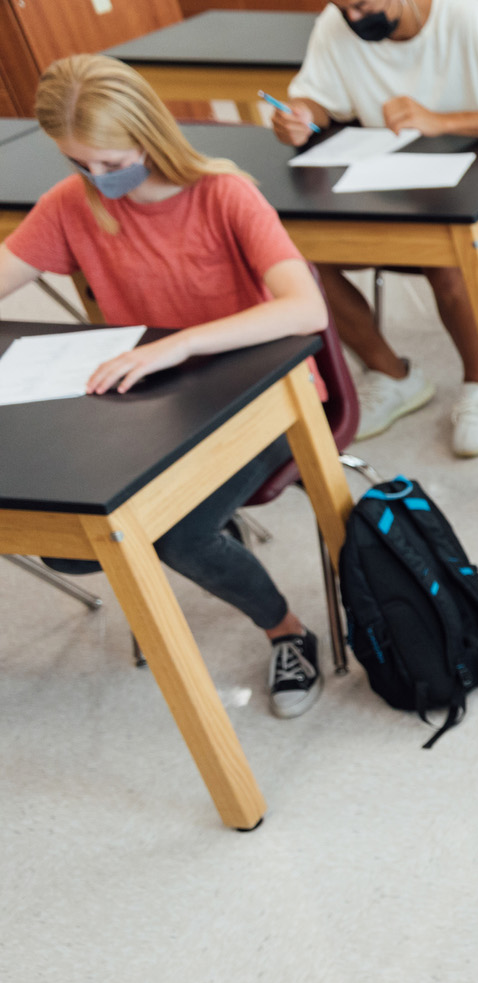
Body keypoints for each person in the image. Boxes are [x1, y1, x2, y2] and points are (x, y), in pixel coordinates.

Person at [0, 56, 332, 717]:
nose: (98, 180)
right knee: (64, 540)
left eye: (110, 161)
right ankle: (214, 527)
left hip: (261, 401)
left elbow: (306, 309)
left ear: (149, 134)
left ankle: (287, 630)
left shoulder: (224, 194)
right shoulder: (75, 204)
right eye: (79, 164)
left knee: (179, 534)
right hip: (155, 412)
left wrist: (181, 341)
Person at [274, 0, 478, 458]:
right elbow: (318, 99)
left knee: (445, 258)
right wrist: (300, 115)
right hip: (391, 189)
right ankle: (390, 373)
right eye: (343, 7)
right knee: (295, 260)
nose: (352, 19)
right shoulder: (336, 25)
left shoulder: (469, 17)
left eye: (362, 5)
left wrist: (441, 122)